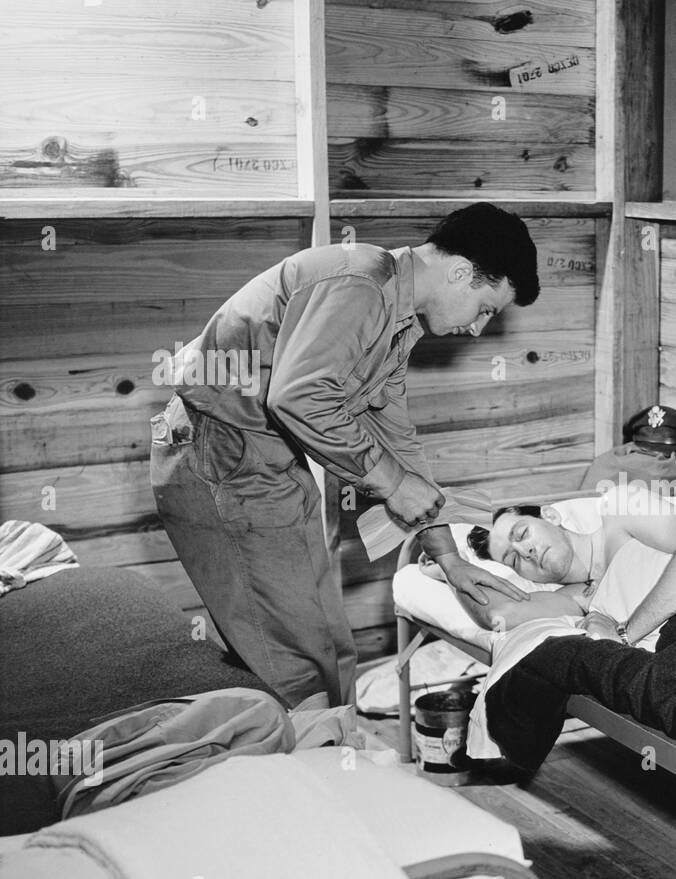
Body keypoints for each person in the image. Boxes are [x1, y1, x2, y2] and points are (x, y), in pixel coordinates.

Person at [150, 203, 536, 710]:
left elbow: (397, 438)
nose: (478, 328)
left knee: (328, 641)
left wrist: (448, 557)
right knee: (294, 654)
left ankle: (332, 759)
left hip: (268, 464)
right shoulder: (360, 284)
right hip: (218, 458)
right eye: (485, 307)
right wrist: (394, 485)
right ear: (461, 272)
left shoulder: (397, 319)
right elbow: (298, 396)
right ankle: (312, 772)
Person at [421, 482, 676, 649]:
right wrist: (450, 568)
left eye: (522, 533)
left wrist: (626, 634)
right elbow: (497, 615)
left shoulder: (620, 508)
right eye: (513, 559)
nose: (526, 551)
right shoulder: (579, 599)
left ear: (552, 516)